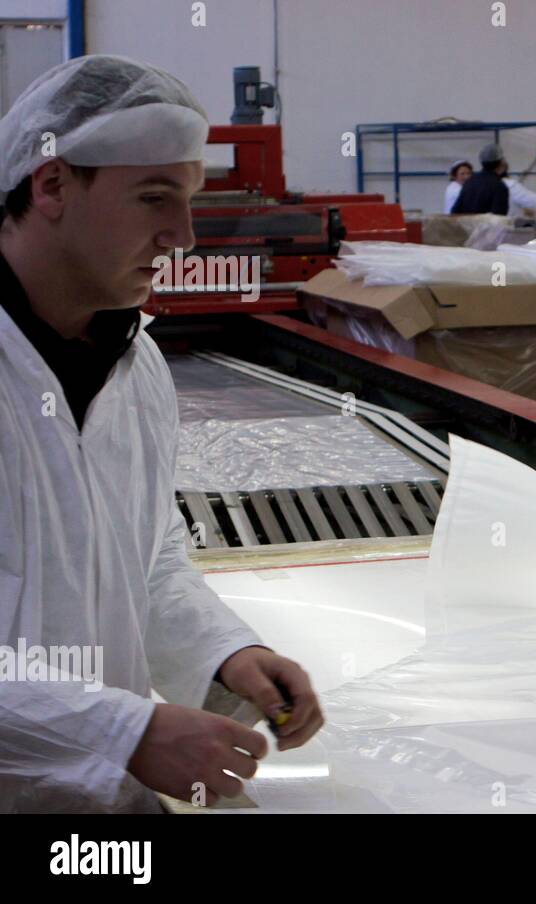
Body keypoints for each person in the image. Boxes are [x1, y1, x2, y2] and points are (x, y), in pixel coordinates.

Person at [0, 55, 324, 813]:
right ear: (51, 185)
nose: (181, 235)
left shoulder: (135, 364)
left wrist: (227, 654)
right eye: (153, 198)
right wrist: (124, 730)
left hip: (96, 808)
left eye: (187, 201)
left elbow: (145, 562)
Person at [451, 143, 510, 215]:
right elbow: (499, 218)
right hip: (485, 226)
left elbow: (455, 211)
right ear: (501, 163)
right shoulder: (499, 186)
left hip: (466, 225)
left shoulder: (469, 181)